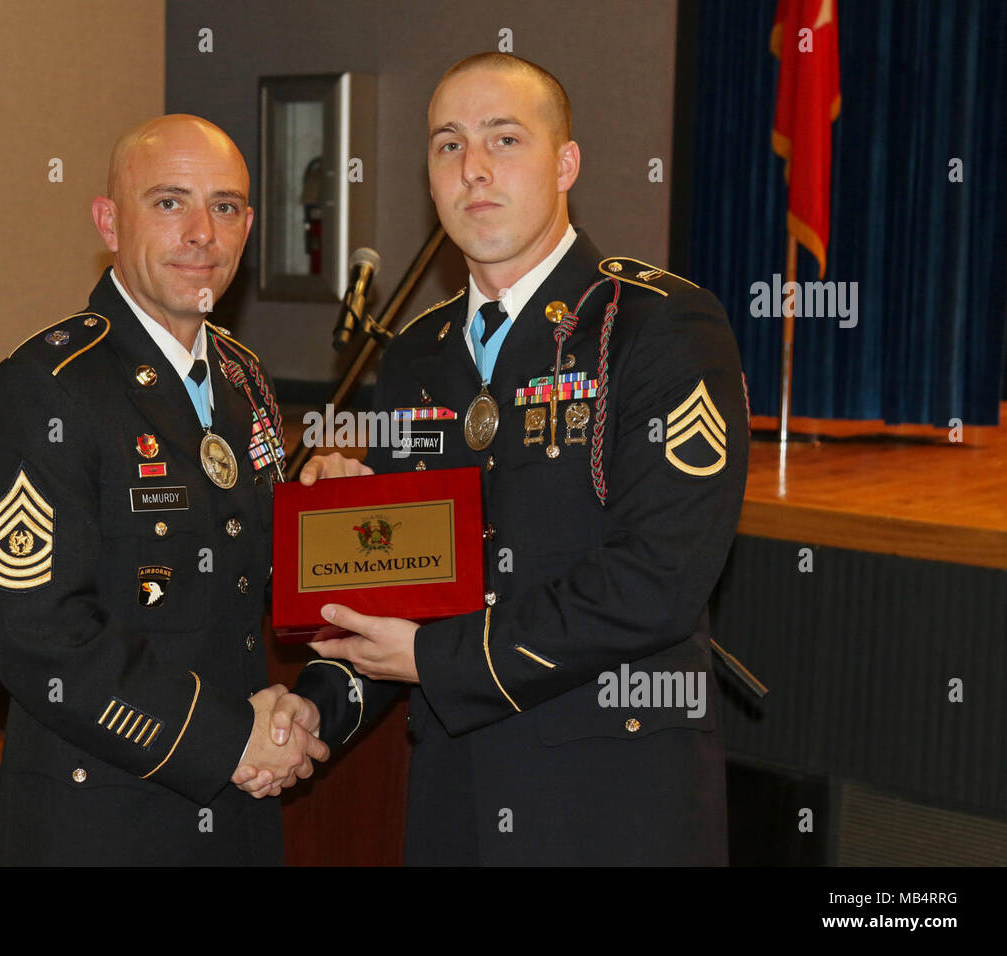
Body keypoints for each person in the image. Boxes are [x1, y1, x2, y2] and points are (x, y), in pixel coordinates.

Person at [245, 53, 750, 865]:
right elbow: (406, 592)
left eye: (504, 139)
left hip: (611, 796)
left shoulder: (661, 326)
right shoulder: (418, 353)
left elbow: (656, 582)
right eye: (448, 145)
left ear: (566, 163)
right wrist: (318, 702)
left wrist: (432, 657)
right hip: (454, 786)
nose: (473, 168)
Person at [0, 115, 326, 866]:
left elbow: (260, 574)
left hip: (239, 802)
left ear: (249, 226)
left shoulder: (243, 379)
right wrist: (224, 739)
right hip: (103, 813)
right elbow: (41, 635)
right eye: (168, 203)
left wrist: (328, 519)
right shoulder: (45, 389)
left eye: (224, 207)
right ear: (108, 222)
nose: (201, 234)